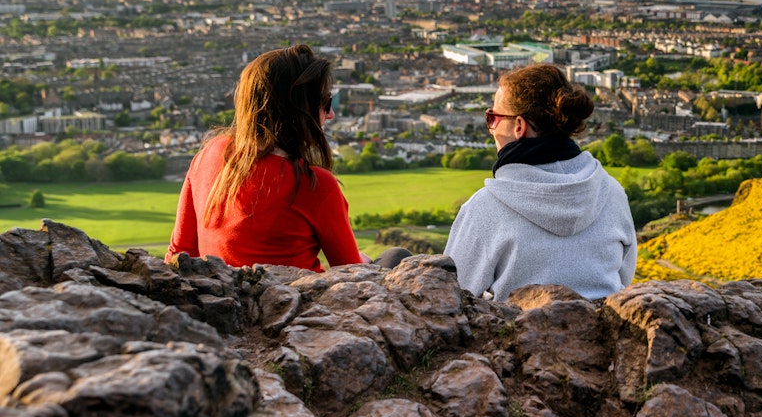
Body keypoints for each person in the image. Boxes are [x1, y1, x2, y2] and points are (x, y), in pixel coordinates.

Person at [166, 44, 405, 272]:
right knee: (397, 256)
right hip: (295, 296)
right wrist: (361, 261)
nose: (331, 114)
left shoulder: (208, 154)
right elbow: (352, 273)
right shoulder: (314, 184)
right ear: (297, 110)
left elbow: (179, 254)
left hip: (225, 292)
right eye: (325, 103)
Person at [445, 63, 637, 301]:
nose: (491, 129)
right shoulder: (612, 192)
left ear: (519, 126)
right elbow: (624, 278)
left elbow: (453, 295)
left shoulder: (485, 208)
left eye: (492, 118)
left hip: (521, 324)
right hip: (601, 322)